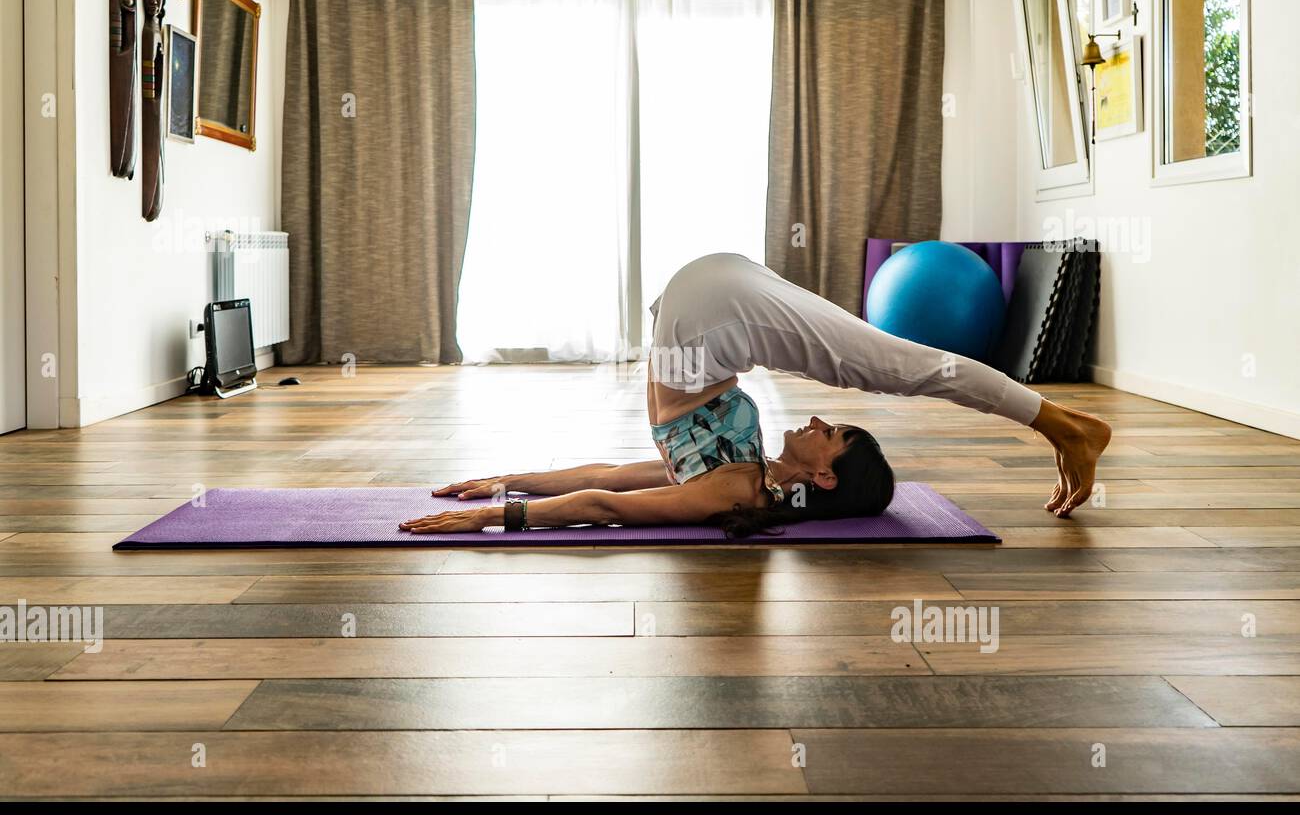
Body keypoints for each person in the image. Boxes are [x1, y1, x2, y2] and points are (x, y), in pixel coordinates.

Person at [400, 253, 1109, 536]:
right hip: (708, 311)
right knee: (898, 365)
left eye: (835, 434)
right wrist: (506, 495)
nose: (825, 419)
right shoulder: (743, 473)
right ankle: (1061, 423)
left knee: (904, 366)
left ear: (824, 474)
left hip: (709, 307)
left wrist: (502, 503)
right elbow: (607, 493)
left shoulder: (731, 485)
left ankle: (1063, 424)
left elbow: (605, 493)